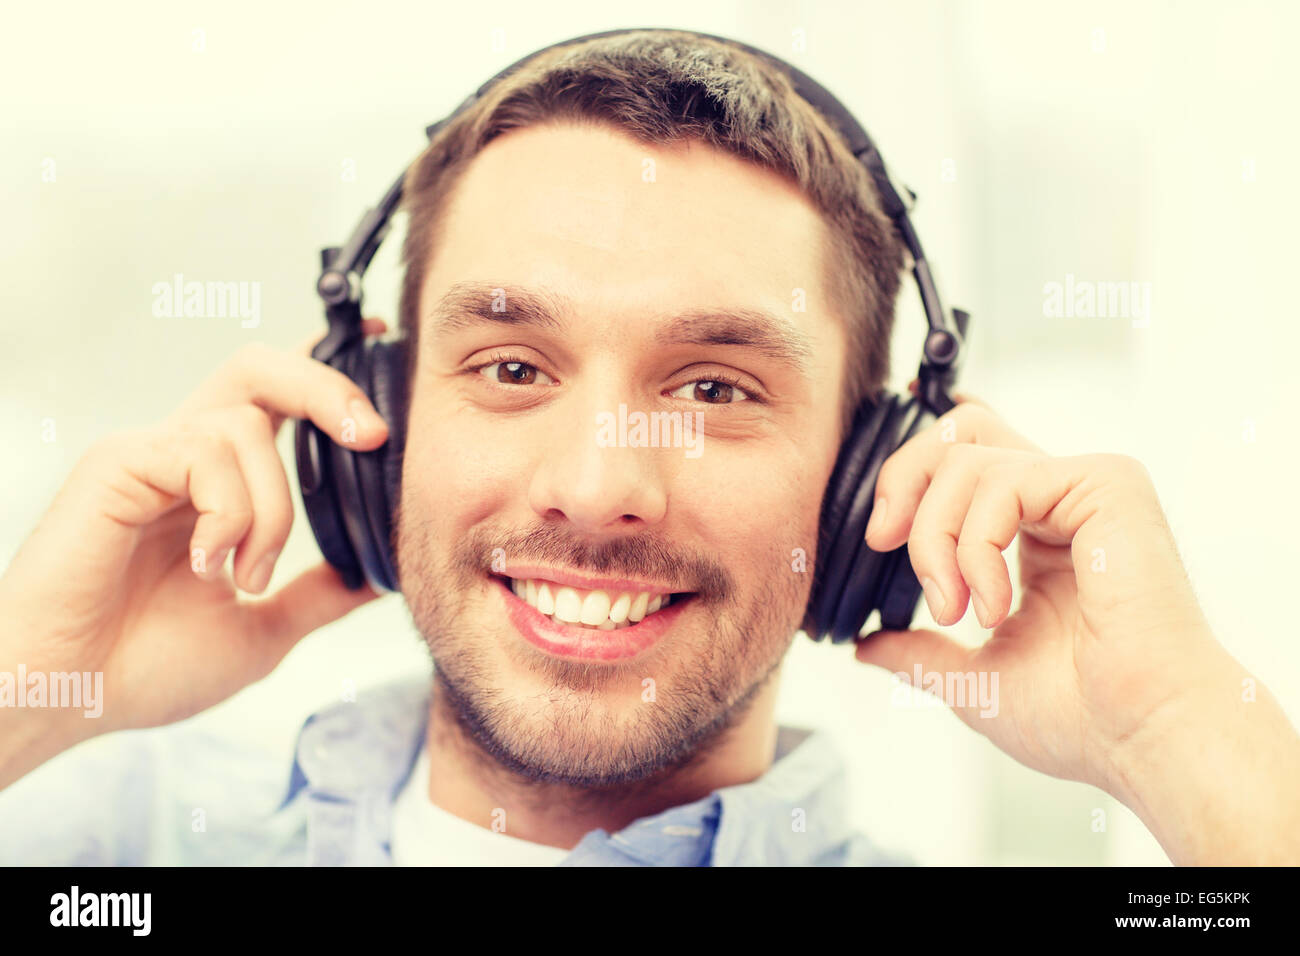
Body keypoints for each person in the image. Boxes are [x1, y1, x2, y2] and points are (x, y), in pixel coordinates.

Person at [1, 30, 1297, 866]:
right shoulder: (114, 846)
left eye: (716, 389)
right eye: (512, 368)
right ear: (373, 421)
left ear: (871, 477)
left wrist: (1175, 739)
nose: (599, 484)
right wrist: (32, 681)